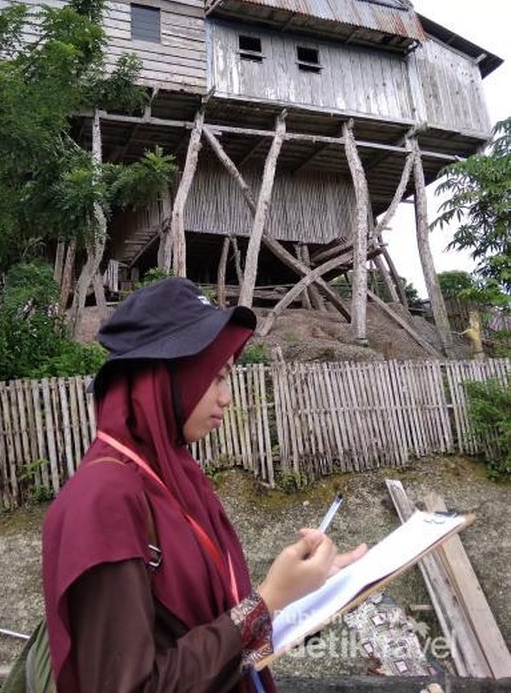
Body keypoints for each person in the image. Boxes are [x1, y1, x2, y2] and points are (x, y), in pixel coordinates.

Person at [41, 278, 366, 693]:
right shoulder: (104, 498)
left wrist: (305, 591)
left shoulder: (170, 475)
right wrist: (266, 600)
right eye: (216, 376)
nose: (226, 397)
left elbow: (208, 621)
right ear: (165, 377)